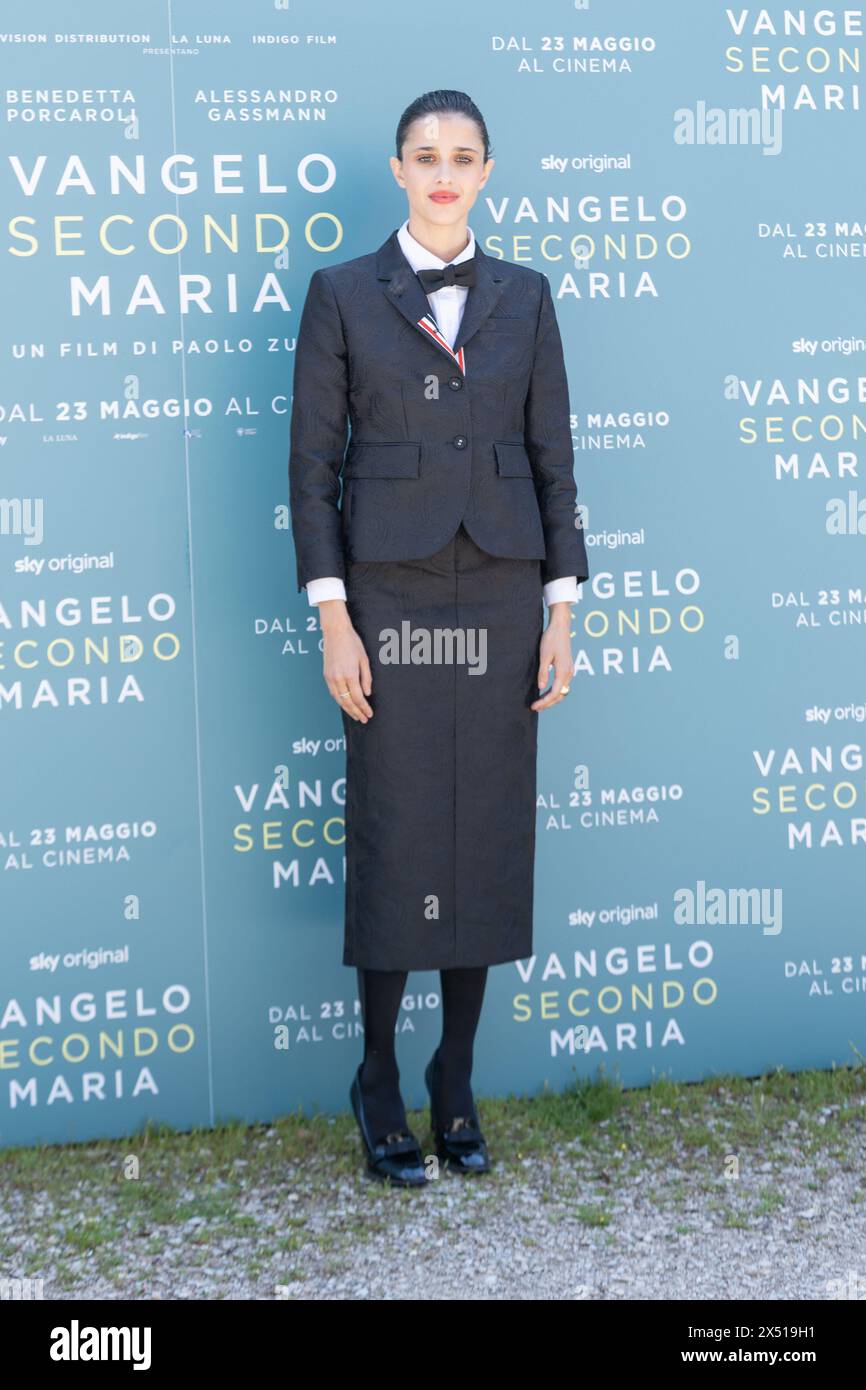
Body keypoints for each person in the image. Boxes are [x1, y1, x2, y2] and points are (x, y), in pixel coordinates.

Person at [289, 89, 589, 1186]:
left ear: (487, 171)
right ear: (398, 169)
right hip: (391, 596)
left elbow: (553, 458)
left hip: (503, 591)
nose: (445, 173)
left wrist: (561, 610)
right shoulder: (341, 295)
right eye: (426, 156)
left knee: (486, 829)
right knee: (401, 823)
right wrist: (334, 617)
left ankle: (453, 1077)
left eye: (463, 156)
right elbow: (311, 469)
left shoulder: (527, 296)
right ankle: (377, 1076)